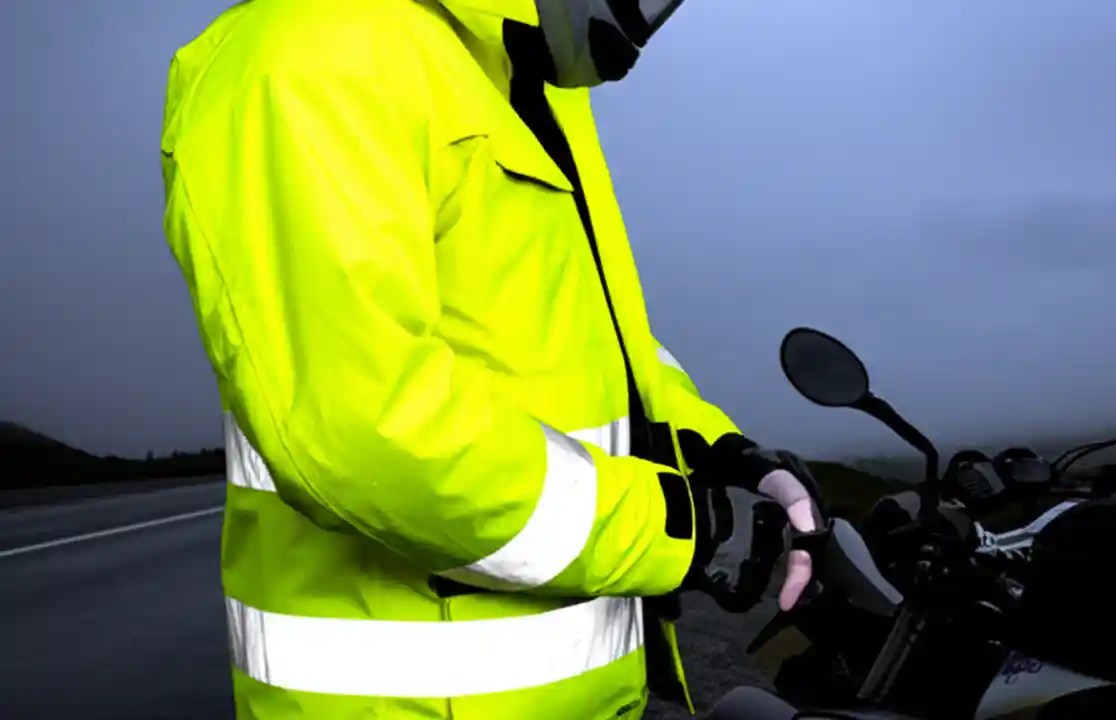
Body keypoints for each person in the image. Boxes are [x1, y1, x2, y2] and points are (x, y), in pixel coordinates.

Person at [160, 1, 823, 718]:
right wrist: (668, 519)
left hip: (597, 694)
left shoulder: (518, 74)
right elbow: (365, 430)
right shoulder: (306, 53)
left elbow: (589, 340)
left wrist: (718, 452)